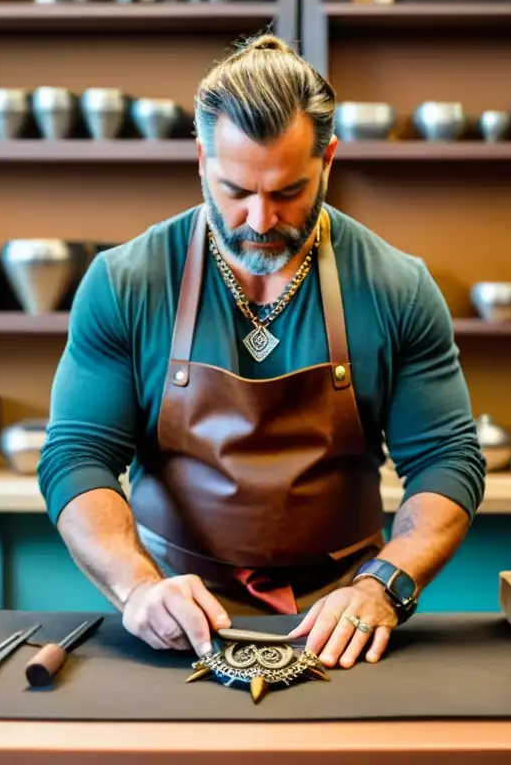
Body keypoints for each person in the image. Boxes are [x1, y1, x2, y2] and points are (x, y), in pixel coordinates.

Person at [38, 34, 486, 670]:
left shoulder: (395, 286)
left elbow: (447, 459)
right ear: (200, 159)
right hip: (177, 612)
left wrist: (386, 584)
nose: (259, 219)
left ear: (328, 159)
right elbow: (77, 455)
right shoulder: (127, 282)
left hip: (342, 622)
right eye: (235, 190)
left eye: (287, 192)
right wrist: (137, 587)